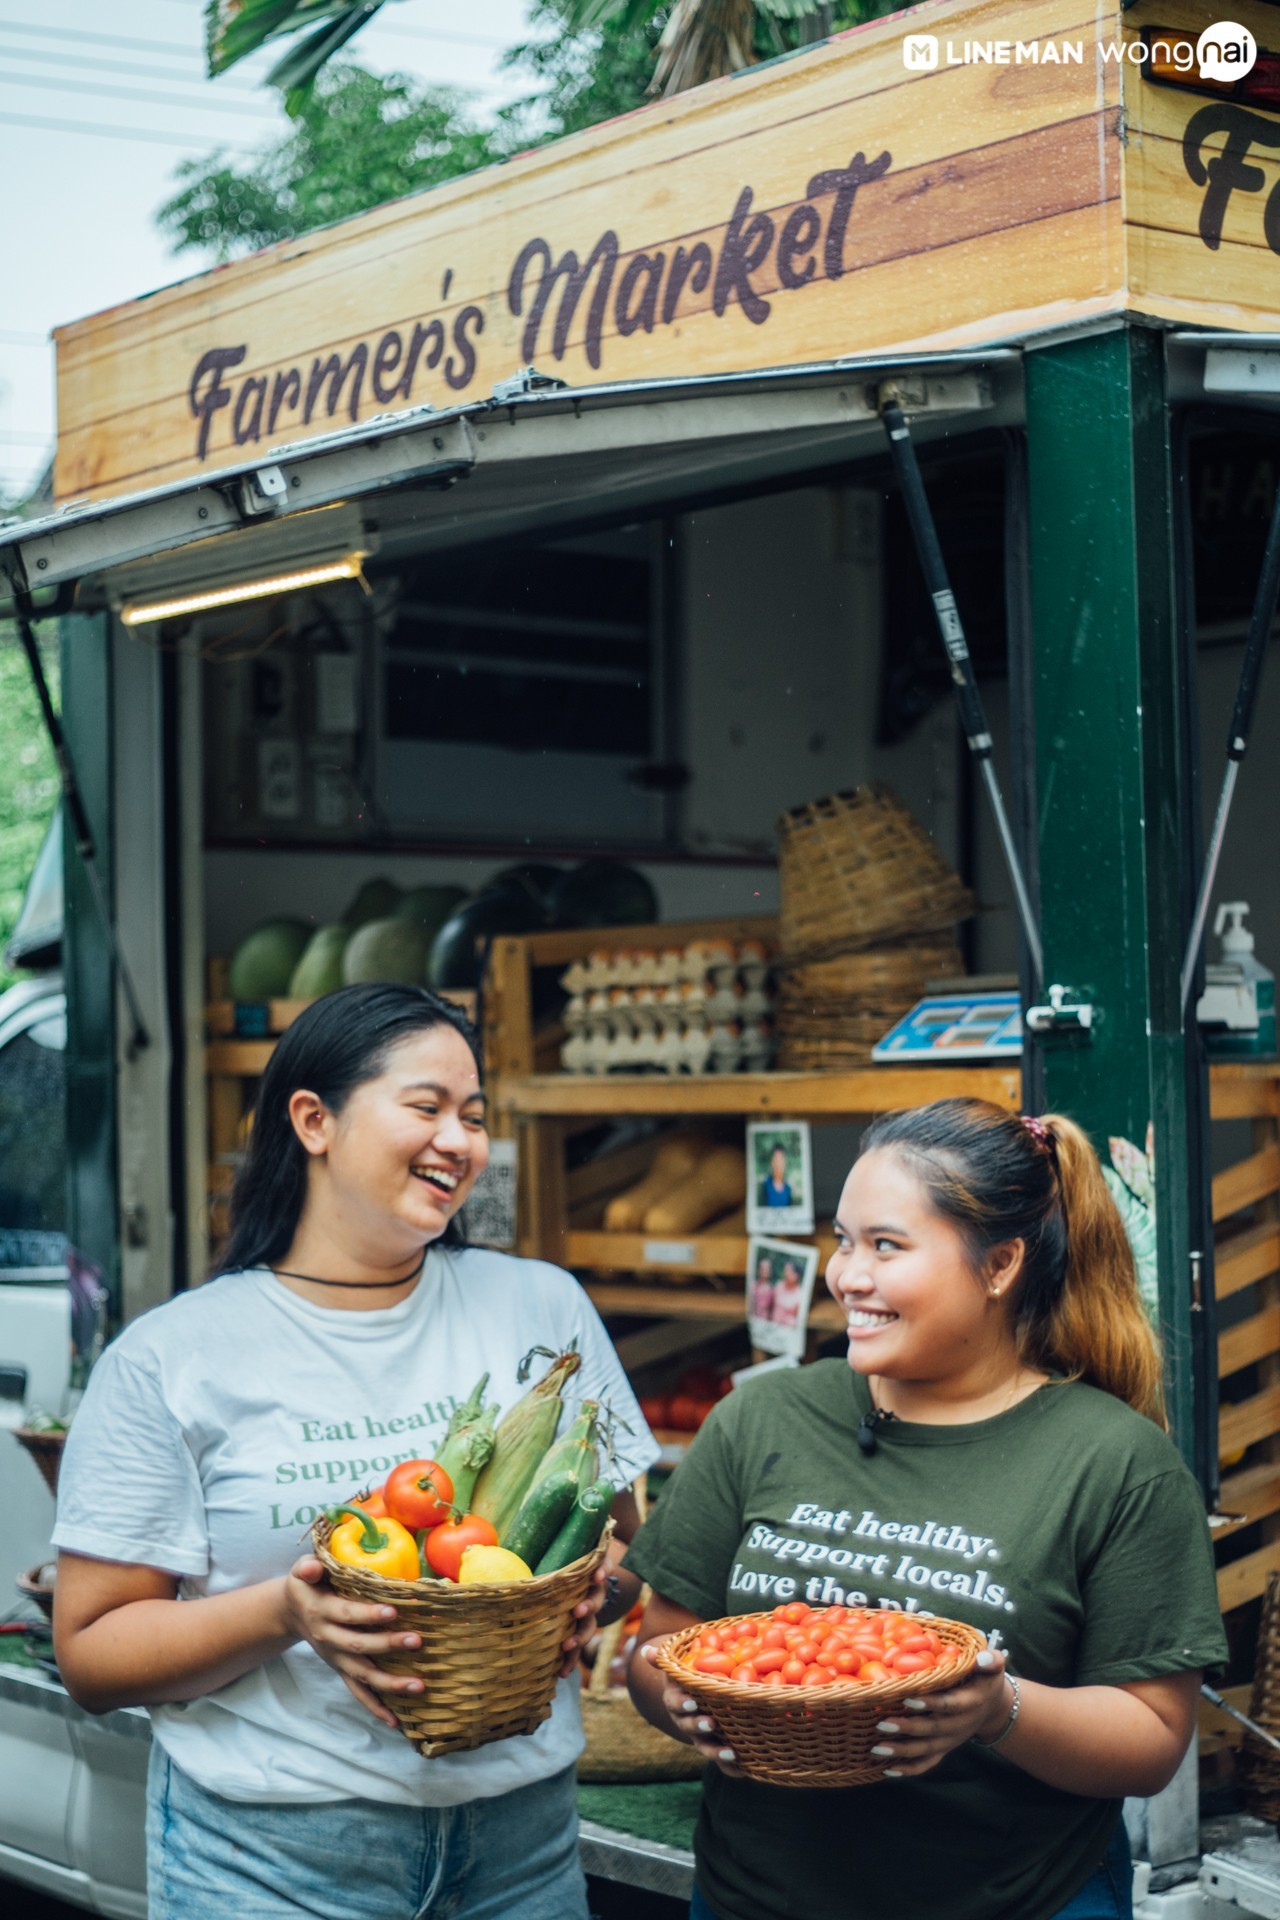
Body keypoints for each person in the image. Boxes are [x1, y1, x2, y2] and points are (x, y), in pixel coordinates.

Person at [52, 983, 656, 1920]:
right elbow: (93, 1654)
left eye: (473, 1116)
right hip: (272, 1861)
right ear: (313, 1120)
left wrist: (592, 1597)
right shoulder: (174, 1356)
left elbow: (622, 1545)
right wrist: (289, 1612)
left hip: (521, 1847)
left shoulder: (540, 1307)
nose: (458, 1140)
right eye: (425, 1107)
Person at [626, 1098, 1227, 1920]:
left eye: (886, 1246)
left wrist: (997, 1708)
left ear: (1000, 1265)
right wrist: (692, 1709)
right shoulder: (761, 1418)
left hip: (1017, 1901)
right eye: (843, 1240)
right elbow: (660, 1647)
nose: (847, 1275)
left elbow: (1152, 1739)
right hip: (753, 1898)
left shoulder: (1117, 1463)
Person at [768, 1256, 806, 1330]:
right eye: (785, 1270)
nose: (785, 1273)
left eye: (789, 1271)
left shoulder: (800, 1294)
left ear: (796, 1275)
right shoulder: (778, 1286)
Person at [757, 1143, 793, 1210]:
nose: (778, 1164)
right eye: (776, 1159)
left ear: (785, 1162)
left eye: (781, 1160)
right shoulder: (764, 1185)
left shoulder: (788, 1188)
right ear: (772, 1162)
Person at [749, 1252, 777, 1322]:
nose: (765, 1271)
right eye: (762, 1268)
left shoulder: (772, 1290)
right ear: (759, 1270)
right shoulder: (753, 1286)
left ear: (770, 1271)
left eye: (767, 1269)